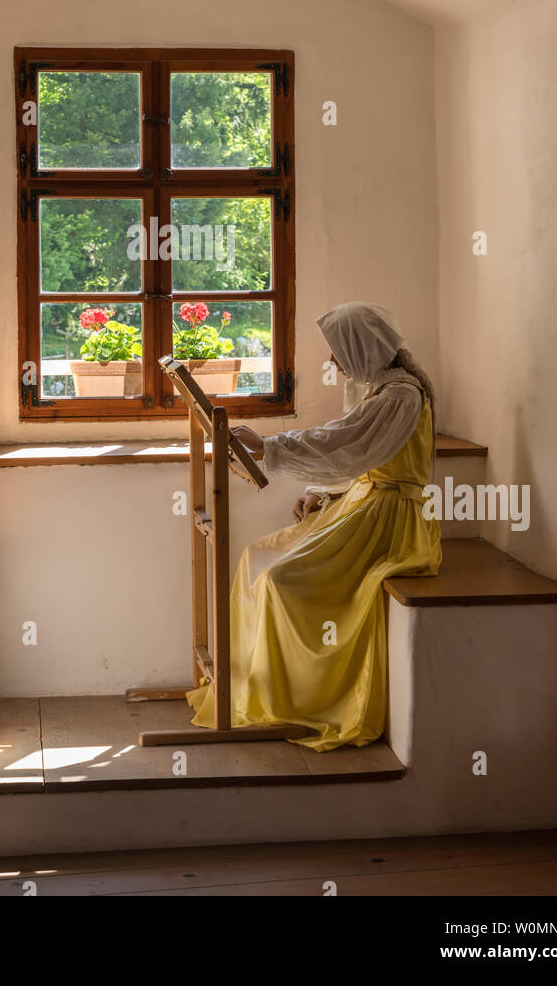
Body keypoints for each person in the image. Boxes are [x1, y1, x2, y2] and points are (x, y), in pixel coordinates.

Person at [186, 302, 441, 751]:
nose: (331, 362)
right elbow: (356, 450)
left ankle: (300, 701)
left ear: (363, 349)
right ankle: (254, 688)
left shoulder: (400, 395)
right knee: (255, 559)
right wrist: (324, 493)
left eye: (337, 351)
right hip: (364, 503)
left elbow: (344, 444)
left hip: (390, 522)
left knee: (282, 581)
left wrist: (269, 446)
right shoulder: (381, 389)